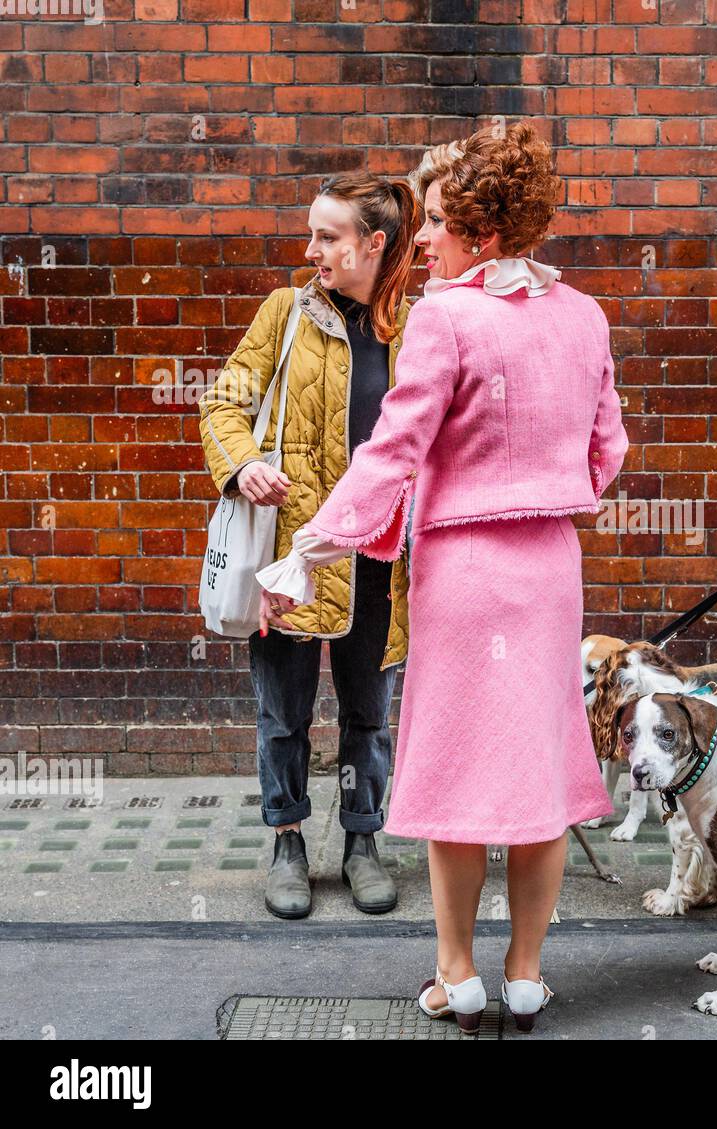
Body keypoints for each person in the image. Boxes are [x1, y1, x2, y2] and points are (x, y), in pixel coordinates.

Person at [254, 122, 629, 1033]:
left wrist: (308, 551)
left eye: (438, 225)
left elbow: (392, 453)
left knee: (461, 772)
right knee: (537, 773)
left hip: (465, 573)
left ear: (484, 235)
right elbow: (609, 450)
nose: (420, 240)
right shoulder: (584, 314)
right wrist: (547, 492)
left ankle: (456, 973)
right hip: (549, 572)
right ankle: (529, 976)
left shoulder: (445, 317)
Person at [199, 173, 419, 916]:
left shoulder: (418, 329)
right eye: (313, 234)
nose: (312, 249)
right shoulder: (283, 314)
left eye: (328, 236)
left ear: (373, 244)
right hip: (289, 558)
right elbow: (225, 400)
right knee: (283, 713)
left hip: (379, 561)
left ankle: (362, 840)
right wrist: (243, 464)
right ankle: (287, 839)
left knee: (369, 713)